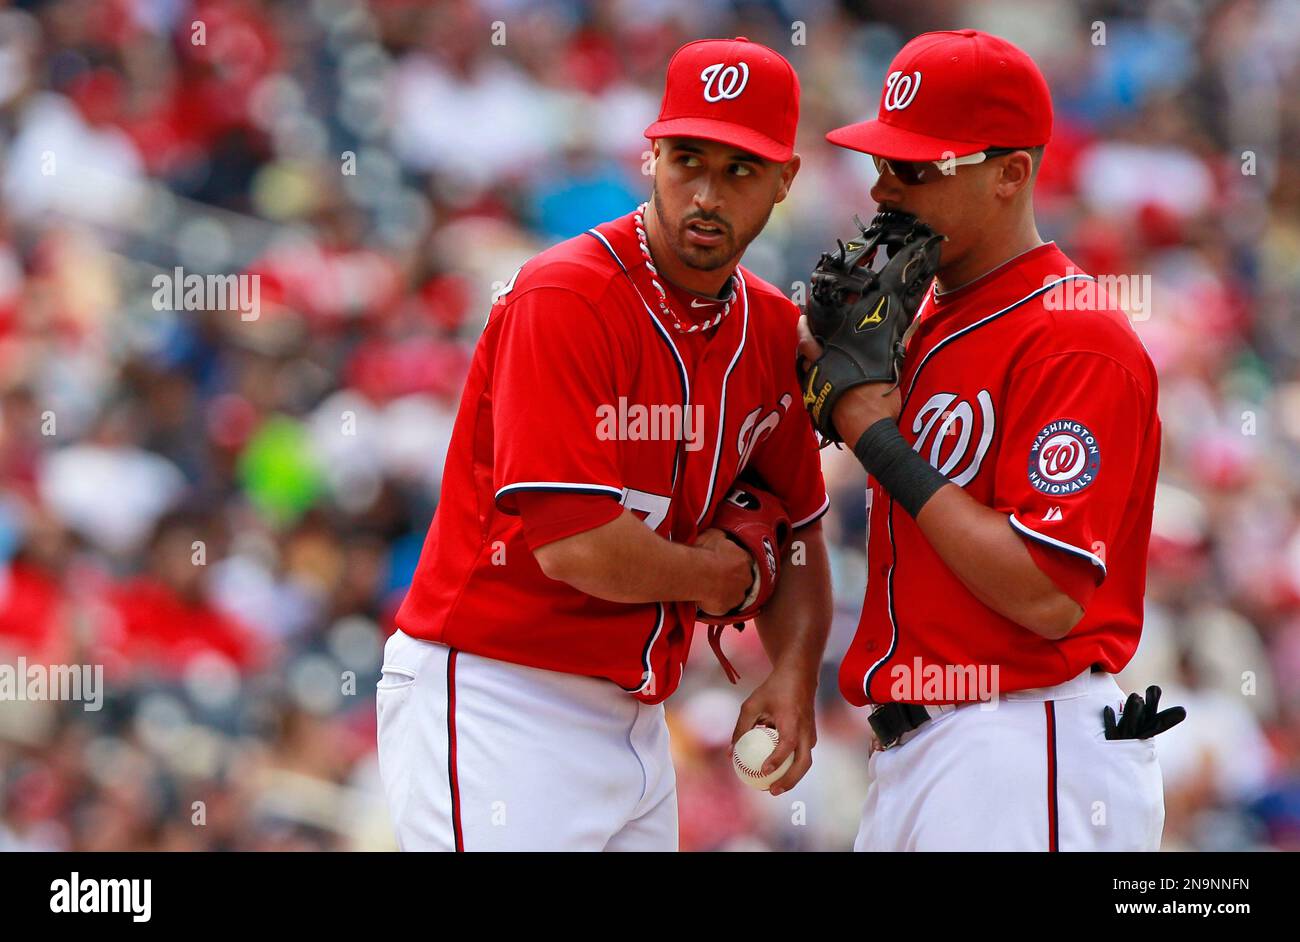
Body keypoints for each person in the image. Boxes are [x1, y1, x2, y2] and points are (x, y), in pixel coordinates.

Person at [377, 37, 832, 851]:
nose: (706, 193)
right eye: (687, 158)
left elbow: (798, 530)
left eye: (740, 170)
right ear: (650, 154)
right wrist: (718, 577)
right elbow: (577, 547)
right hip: (499, 695)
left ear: (784, 181)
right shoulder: (567, 296)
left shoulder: (769, 329)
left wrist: (793, 671)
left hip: (638, 715)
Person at [803, 29, 1177, 851]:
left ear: (1012, 172)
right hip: (924, 752)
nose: (885, 188)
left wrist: (876, 435)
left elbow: (1047, 593)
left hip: (1021, 743)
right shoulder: (924, 317)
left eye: (917, 168)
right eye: (882, 163)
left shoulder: (1076, 336)